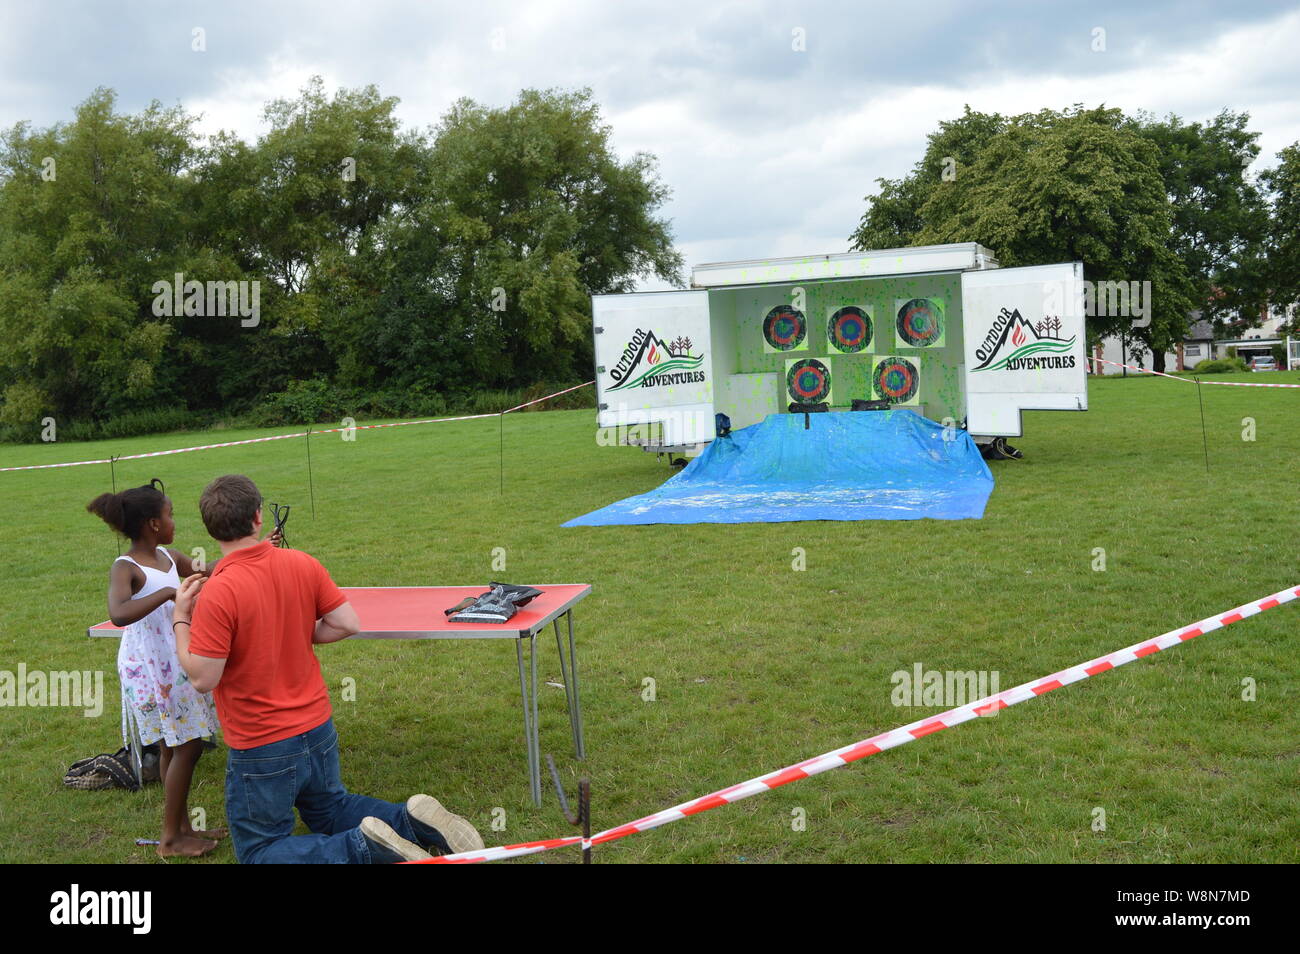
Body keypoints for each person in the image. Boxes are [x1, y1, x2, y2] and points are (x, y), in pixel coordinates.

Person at [171, 474, 483, 863]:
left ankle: (363, 849)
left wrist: (181, 619)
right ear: (257, 517)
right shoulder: (301, 563)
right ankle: (412, 822)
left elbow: (203, 677)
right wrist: (296, 630)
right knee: (329, 808)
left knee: (258, 851)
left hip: (262, 742)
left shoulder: (218, 590)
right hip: (316, 726)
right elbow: (346, 622)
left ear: (210, 528)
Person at [87, 479, 224, 858]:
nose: (173, 520)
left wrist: (253, 550)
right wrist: (167, 593)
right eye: (169, 514)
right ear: (152, 523)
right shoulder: (125, 566)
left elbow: (208, 568)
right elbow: (118, 613)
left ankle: (182, 828)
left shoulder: (170, 557)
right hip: (150, 669)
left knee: (172, 746)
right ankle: (169, 839)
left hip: (172, 660)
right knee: (188, 745)